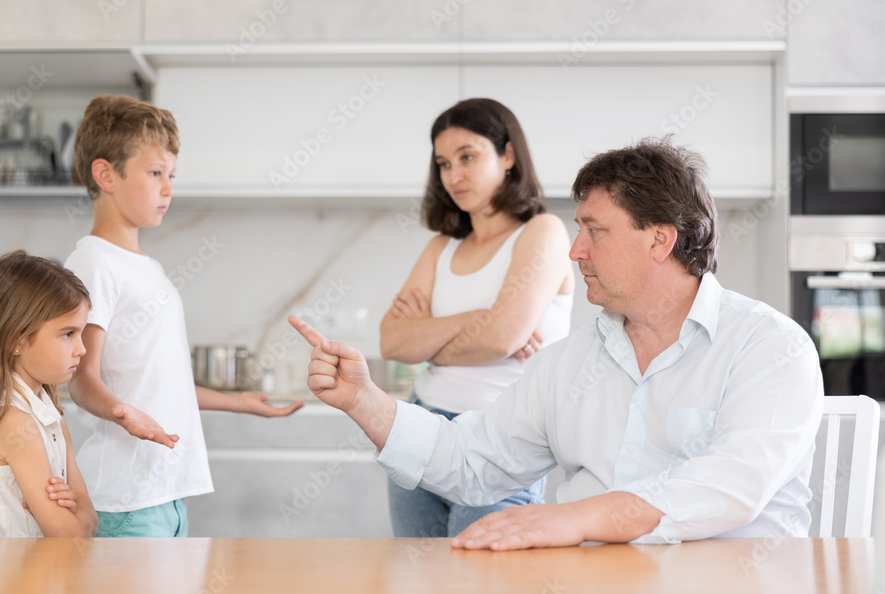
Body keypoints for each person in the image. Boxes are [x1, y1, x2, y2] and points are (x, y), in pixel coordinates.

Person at [290, 137, 823, 550]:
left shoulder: (770, 348)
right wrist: (365, 401)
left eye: (595, 230)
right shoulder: (567, 364)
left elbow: (728, 487)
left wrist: (569, 518)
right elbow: (471, 461)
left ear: (660, 239)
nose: (574, 251)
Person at [65, 94, 303, 538]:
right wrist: (122, 412)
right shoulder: (95, 264)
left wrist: (239, 403)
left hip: (167, 490)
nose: (169, 188)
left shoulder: (146, 268)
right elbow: (80, 377)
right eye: (155, 173)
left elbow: (161, 383)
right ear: (106, 174)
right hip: (125, 496)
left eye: (171, 175)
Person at [380, 98, 574, 537]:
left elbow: (502, 338)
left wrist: (430, 340)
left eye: (468, 157)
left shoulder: (542, 232)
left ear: (508, 155)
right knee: (420, 588)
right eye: (444, 163)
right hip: (422, 424)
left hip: (501, 437)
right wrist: (480, 318)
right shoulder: (440, 249)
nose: (454, 175)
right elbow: (392, 343)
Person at [0, 250, 98, 537]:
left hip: (43, 577)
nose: (82, 349)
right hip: (10, 581)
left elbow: (88, 512)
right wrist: (79, 514)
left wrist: (80, 512)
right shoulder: (14, 423)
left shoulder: (51, 415)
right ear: (16, 339)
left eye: (81, 333)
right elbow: (70, 534)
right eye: (68, 334)